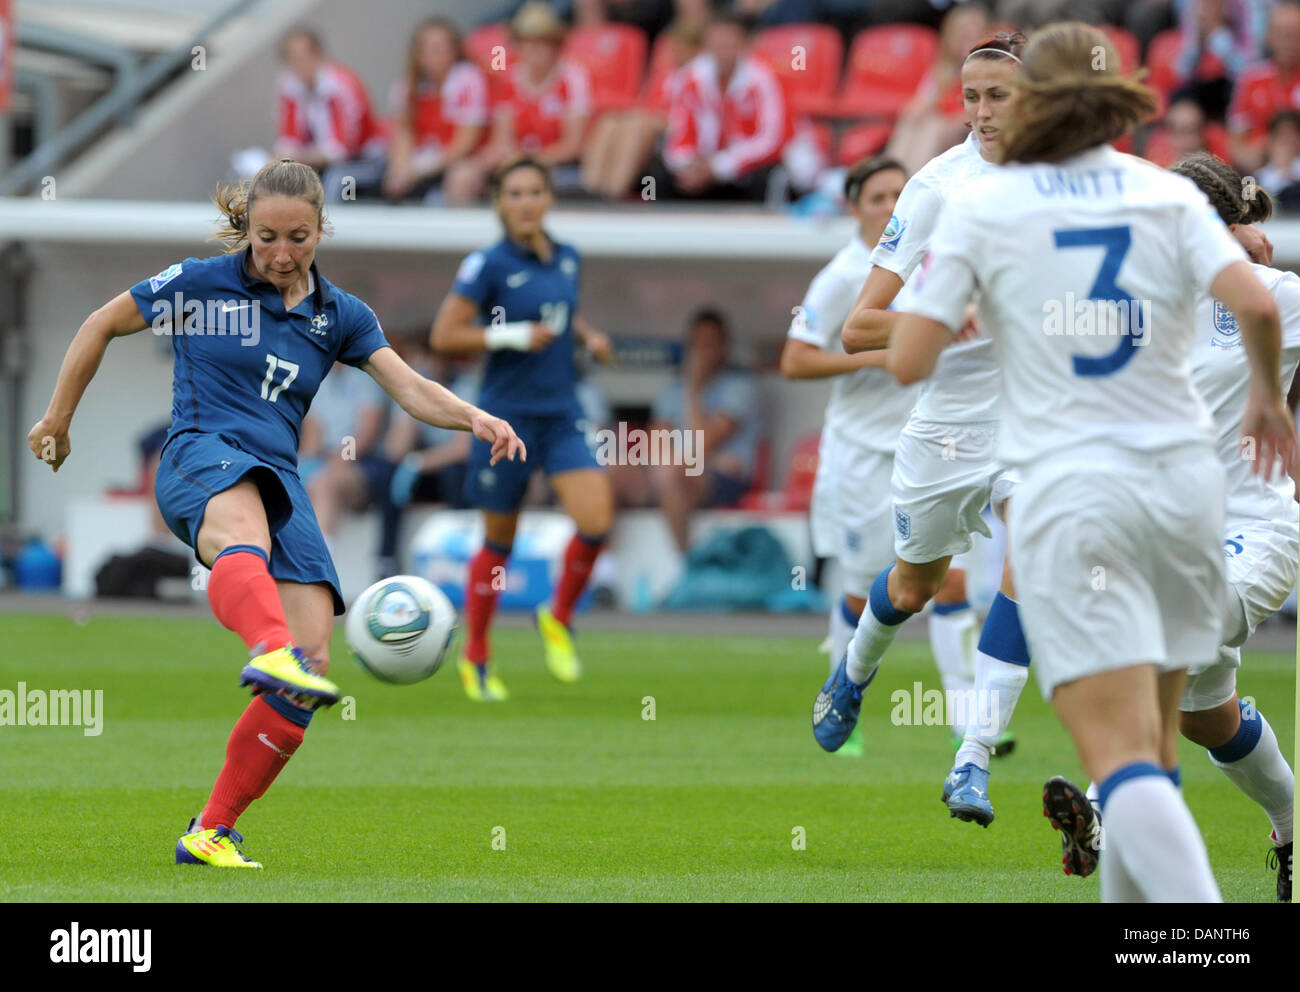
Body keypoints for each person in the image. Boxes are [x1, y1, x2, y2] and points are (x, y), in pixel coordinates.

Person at [889, 21, 1293, 902]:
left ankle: (1197, 930)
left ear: (1032, 103)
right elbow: (1256, 309)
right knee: (1155, 735)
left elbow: (907, 359)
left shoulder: (986, 206)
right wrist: (1267, 398)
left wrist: (952, 312)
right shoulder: (1166, 194)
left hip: (1078, 489)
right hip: (1186, 489)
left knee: (1120, 755)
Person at [25, 159, 523, 869]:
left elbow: (408, 387)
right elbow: (102, 322)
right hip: (200, 455)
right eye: (265, 238)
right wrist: (58, 418)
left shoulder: (341, 315)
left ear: (322, 228)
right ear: (245, 229)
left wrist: (474, 417)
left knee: (314, 662)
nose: (281, 254)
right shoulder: (201, 283)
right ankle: (267, 648)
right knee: (252, 558)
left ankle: (210, 830)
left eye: (297, 237)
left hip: (278, 480)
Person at [1045, 153, 1296, 902]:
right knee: (1205, 722)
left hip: (1254, 530)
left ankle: (1098, 803)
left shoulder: (1273, 296)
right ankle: (1290, 822)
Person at [813, 30, 1028, 825]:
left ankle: (971, 761)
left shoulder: (1076, 181)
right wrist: (947, 318)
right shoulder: (940, 184)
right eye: (969, 95)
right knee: (915, 585)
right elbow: (858, 329)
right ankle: (855, 672)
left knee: (1028, 563)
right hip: (946, 424)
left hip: (1035, 421)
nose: (979, 111)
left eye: (996, 95)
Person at [782, 155, 977, 760]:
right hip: (860, 455)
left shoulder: (925, 264)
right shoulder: (843, 277)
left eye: (899, 192)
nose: (891, 202)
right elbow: (796, 360)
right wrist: (874, 356)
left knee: (951, 584)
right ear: (855, 205)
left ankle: (965, 719)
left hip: (926, 442)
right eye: (878, 195)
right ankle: (845, 705)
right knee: (866, 592)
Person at [432, 156, 614, 701]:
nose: (526, 202)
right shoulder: (485, 265)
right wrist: (506, 337)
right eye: (514, 193)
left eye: (535, 191)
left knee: (597, 521)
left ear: (549, 198)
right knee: (498, 543)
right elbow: (445, 335)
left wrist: (587, 337)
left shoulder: (568, 258)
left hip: (561, 413)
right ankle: (477, 656)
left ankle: (557, 616)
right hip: (503, 420)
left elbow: (561, 313)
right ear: (499, 203)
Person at [446, 2, 594, 203]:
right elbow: (502, 138)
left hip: (557, 164)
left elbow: (573, 144)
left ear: (555, 45)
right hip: (516, 158)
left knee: (524, 180)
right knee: (463, 174)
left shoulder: (572, 77)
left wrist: (532, 159)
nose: (532, 49)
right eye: (525, 42)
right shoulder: (509, 77)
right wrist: (511, 158)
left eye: (541, 42)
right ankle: (463, 228)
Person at [650, 308, 764, 554]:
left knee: (670, 474)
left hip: (725, 482)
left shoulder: (740, 386)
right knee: (621, 469)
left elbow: (701, 442)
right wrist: (688, 458)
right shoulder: (673, 388)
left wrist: (694, 388)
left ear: (724, 346)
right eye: (697, 344)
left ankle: (686, 563)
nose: (702, 352)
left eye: (710, 343)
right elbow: (656, 446)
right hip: (682, 474)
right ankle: (606, 570)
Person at [656, 13, 792, 201]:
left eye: (729, 43)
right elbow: (679, 132)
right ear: (706, 44)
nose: (723, 49)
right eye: (717, 42)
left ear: (743, 44)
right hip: (701, 165)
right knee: (660, 179)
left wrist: (720, 167)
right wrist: (688, 165)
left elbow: (771, 139)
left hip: (744, 169)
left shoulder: (763, 80)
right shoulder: (690, 79)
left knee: (766, 177)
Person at [382, 18, 490, 205]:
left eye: (440, 48)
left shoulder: (467, 79)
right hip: (423, 159)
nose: (433, 55)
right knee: (393, 181)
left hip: (463, 159)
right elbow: (403, 134)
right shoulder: (407, 86)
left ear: (454, 51)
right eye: (427, 49)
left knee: (461, 178)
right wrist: (401, 167)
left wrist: (422, 168)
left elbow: (465, 143)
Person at [274, 27, 387, 201]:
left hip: (364, 159)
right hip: (317, 160)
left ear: (319, 55)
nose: (300, 65)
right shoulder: (289, 85)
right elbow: (289, 137)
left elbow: (342, 149)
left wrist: (297, 157)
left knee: (336, 182)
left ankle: (329, 227)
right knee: (271, 177)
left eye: (304, 57)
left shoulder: (342, 85)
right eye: (293, 60)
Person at [885, 3, 992, 176]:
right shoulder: (943, 70)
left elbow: (989, 107)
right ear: (951, 37)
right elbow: (919, 105)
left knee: (934, 129)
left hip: (966, 127)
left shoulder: (989, 68)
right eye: (964, 35)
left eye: (976, 35)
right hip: (942, 123)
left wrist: (955, 121)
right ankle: (891, 174)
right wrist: (916, 113)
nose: (970, 40)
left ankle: (910, 180)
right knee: (911, 124)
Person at [298, 362, 390, 544]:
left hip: (366, 462)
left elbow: (367, 431)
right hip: (328, 460)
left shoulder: (366, 378)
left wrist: (339, 461)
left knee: (326, 483)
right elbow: (313, 438)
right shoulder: (320, 380)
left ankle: (321, 559)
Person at [1227, 0, 1300, 172]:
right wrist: (1261, 157)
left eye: (1295, 34)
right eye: (1282, 34)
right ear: (1269, 36)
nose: (1288, 42)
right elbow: (1236, 143)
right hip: (1259, 170)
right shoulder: (1250, 80)